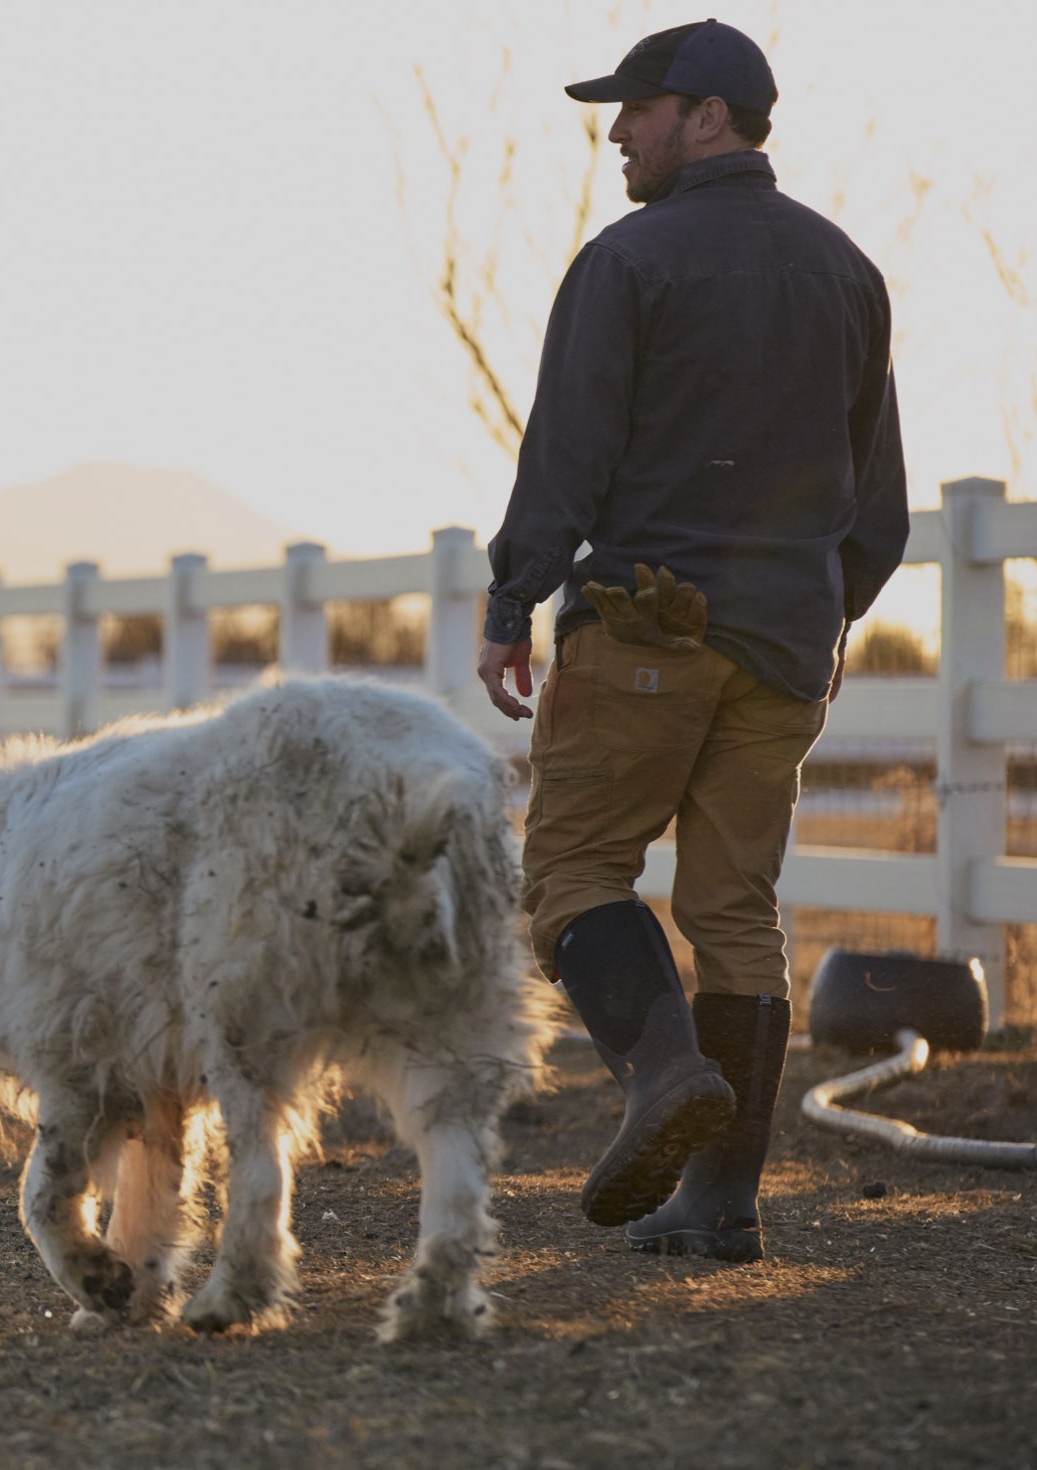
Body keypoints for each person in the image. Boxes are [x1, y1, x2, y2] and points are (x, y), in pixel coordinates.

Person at [475, 21, 906, 1262]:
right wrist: (824, 615)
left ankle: (664, 1076)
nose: (619, 130)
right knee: (736, 912)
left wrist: (515, 601)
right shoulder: (847, 273)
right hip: (787, 650)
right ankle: (721, 1204)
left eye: (640, 108)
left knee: (569, 877)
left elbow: (568, 452)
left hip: (647, 631)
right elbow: (876, 506)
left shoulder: (630, 263)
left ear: (706, 115)